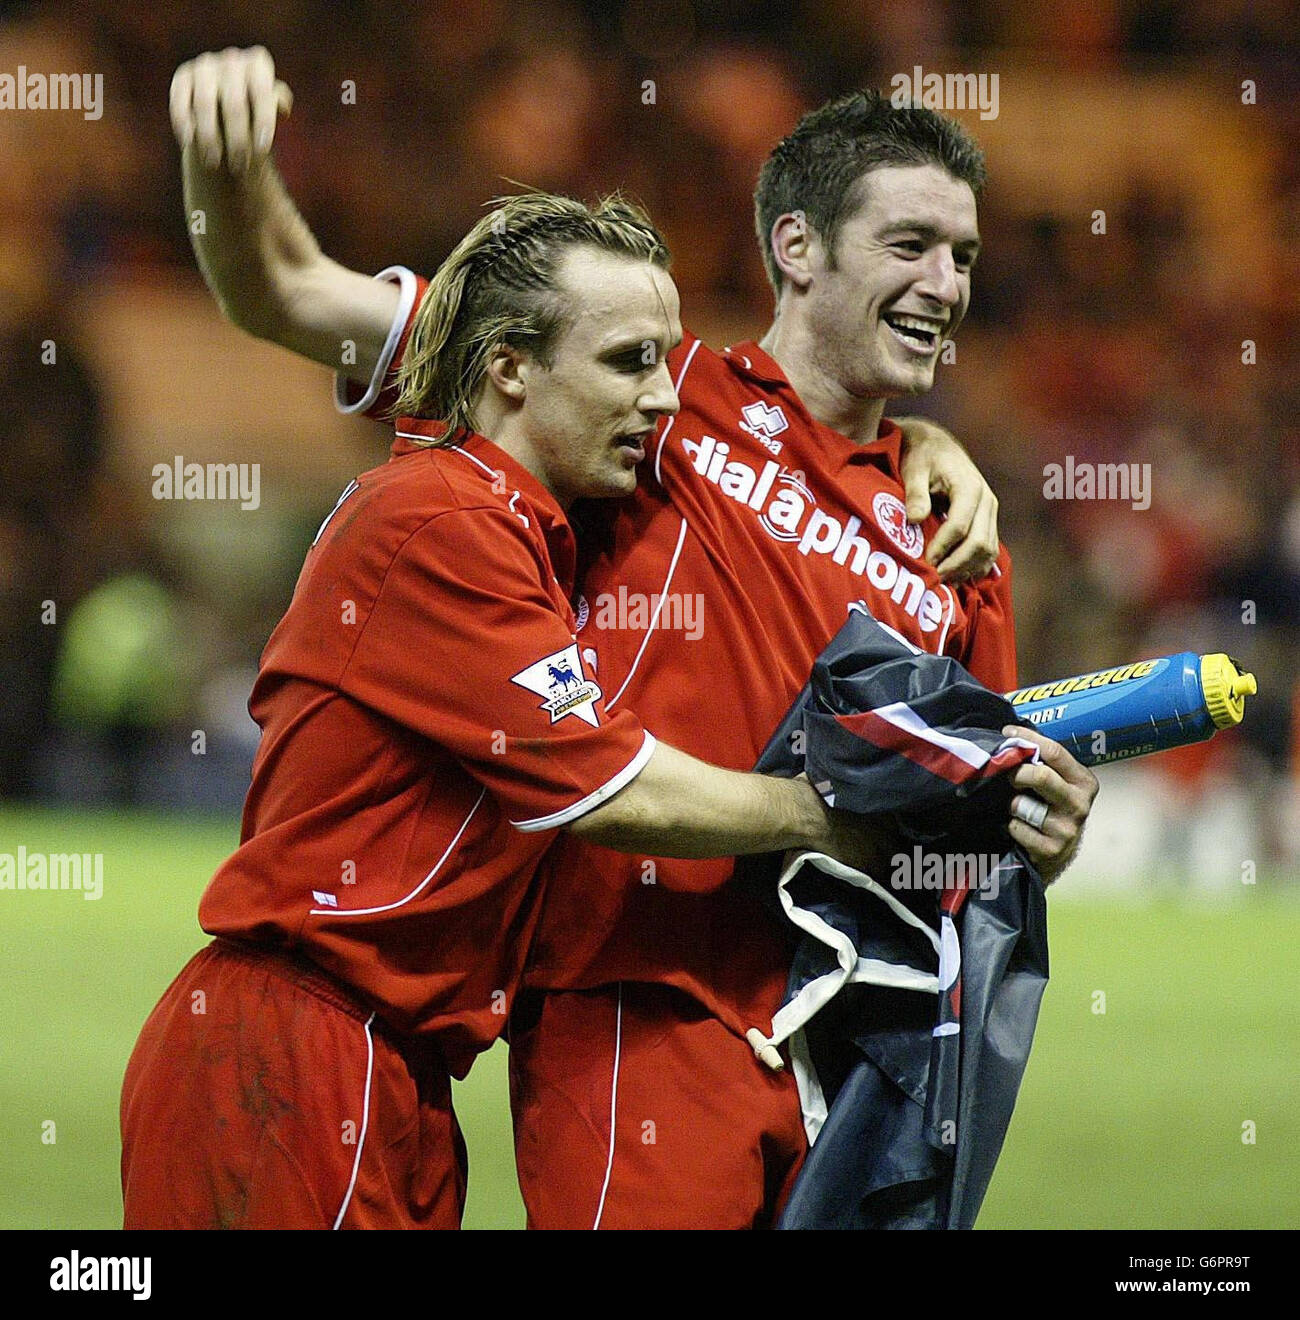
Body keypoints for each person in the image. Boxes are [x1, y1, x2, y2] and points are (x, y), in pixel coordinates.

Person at [168, 49, 1099, 1228]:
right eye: (909, 244)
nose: (947, 282)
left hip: (856, 1050)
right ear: (798, 248)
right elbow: (287, 293)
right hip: (641, 1004)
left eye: (964, 255)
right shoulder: (649, 395)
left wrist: (1031, 840)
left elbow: (962, 833)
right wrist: (223, 165)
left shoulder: (954, 533)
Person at [120, 190, 886, 1230]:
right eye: (627, 361)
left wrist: (915, 447)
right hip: (299, 1048)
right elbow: (618, 790)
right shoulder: (441, 523)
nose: (665, 399)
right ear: (510, 368)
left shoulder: (514, 527)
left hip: (389, 1068)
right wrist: (825, 817)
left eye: (667, 360)